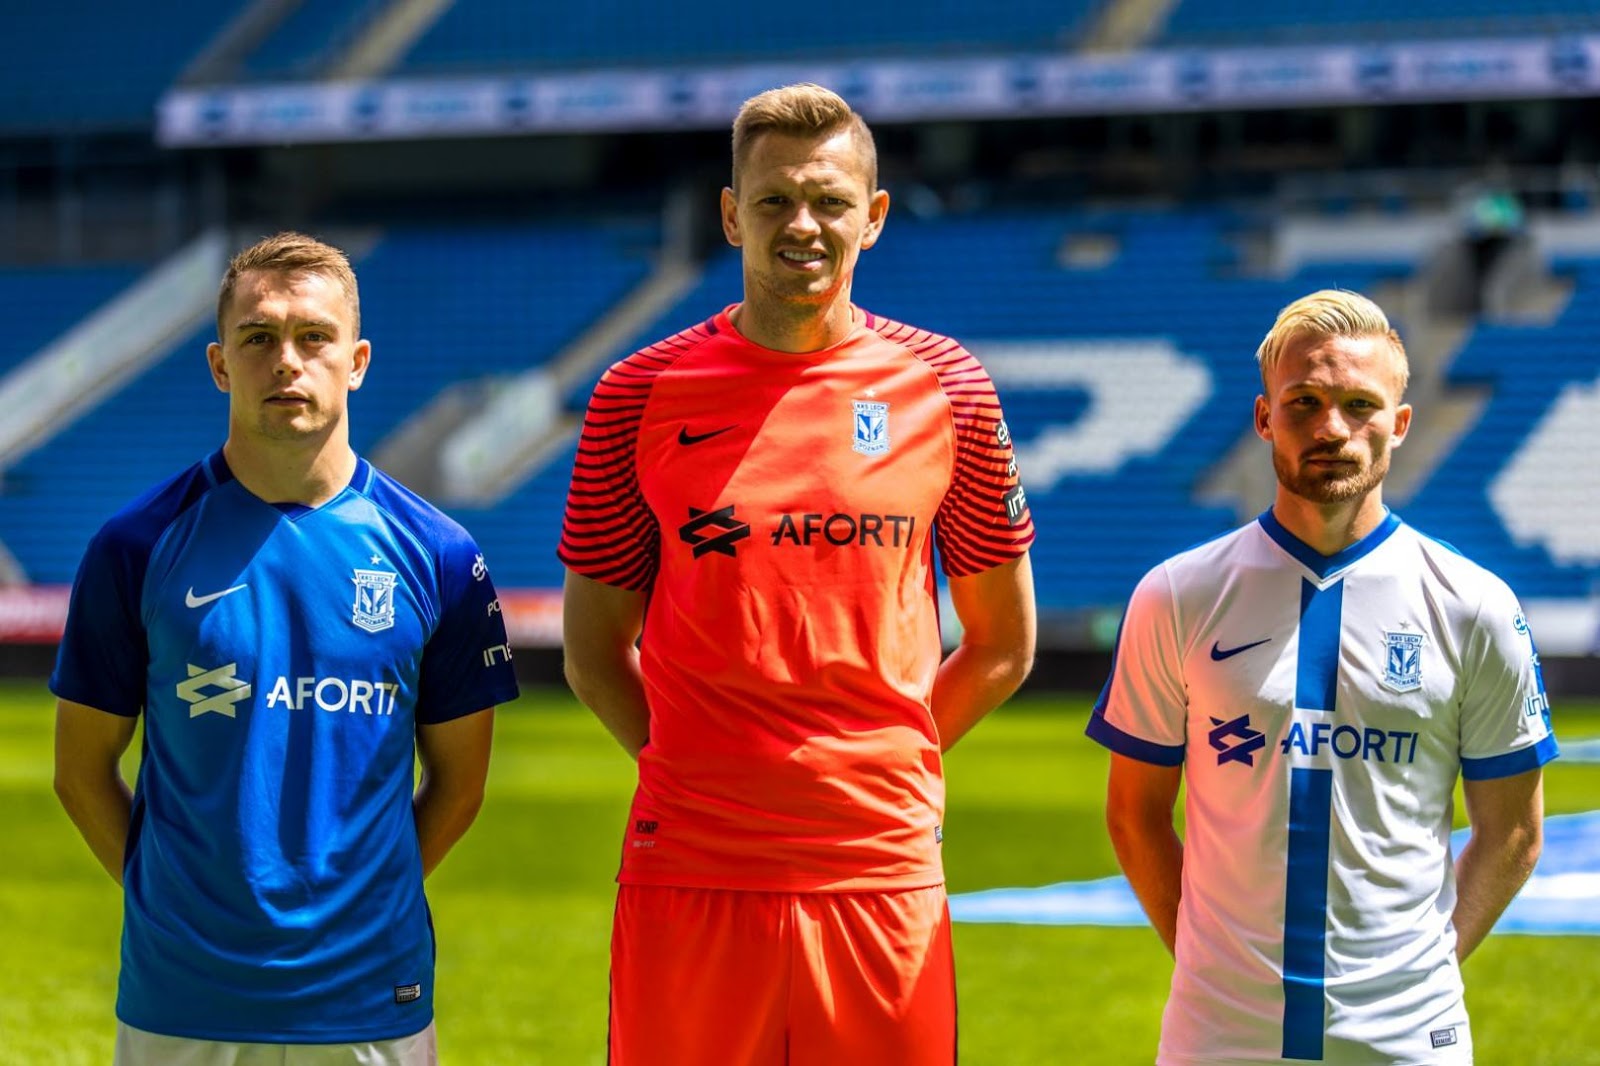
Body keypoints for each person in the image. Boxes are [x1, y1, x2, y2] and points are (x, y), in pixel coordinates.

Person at [559, 83, 1036, 1065]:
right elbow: (593, 649)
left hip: (879, 865)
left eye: (829, 200)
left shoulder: (948, 386)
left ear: (875, 215)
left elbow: (1003, 644)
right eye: (774, 200)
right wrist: (694, 768)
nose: (802, 225)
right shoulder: (635, 393)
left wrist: (885, 764)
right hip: (691, 863)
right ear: (732, 214)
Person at [52, 232, 518, 1065]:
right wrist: (174, 906)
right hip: (182, 994)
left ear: (358, 361)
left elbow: (461, 783)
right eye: (259, 337)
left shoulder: (441, 555)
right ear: (220, 364)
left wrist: (360, 909)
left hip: (369, 995)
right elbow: (80, 770)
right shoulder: (134, 546)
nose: (287, 361)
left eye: (314, 336)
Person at [1089, 289, 1557, 1064]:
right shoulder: (1177, 594)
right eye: (1303, 401)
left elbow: (1514, 832)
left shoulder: (1474, 606)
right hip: (1218, 1036)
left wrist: (1423, 973)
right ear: (1264, 417)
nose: (1332, 428)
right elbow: (1134, 815)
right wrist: (1214, 971)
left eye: (1360, 405)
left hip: (1410, 1039)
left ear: (1400, 424)